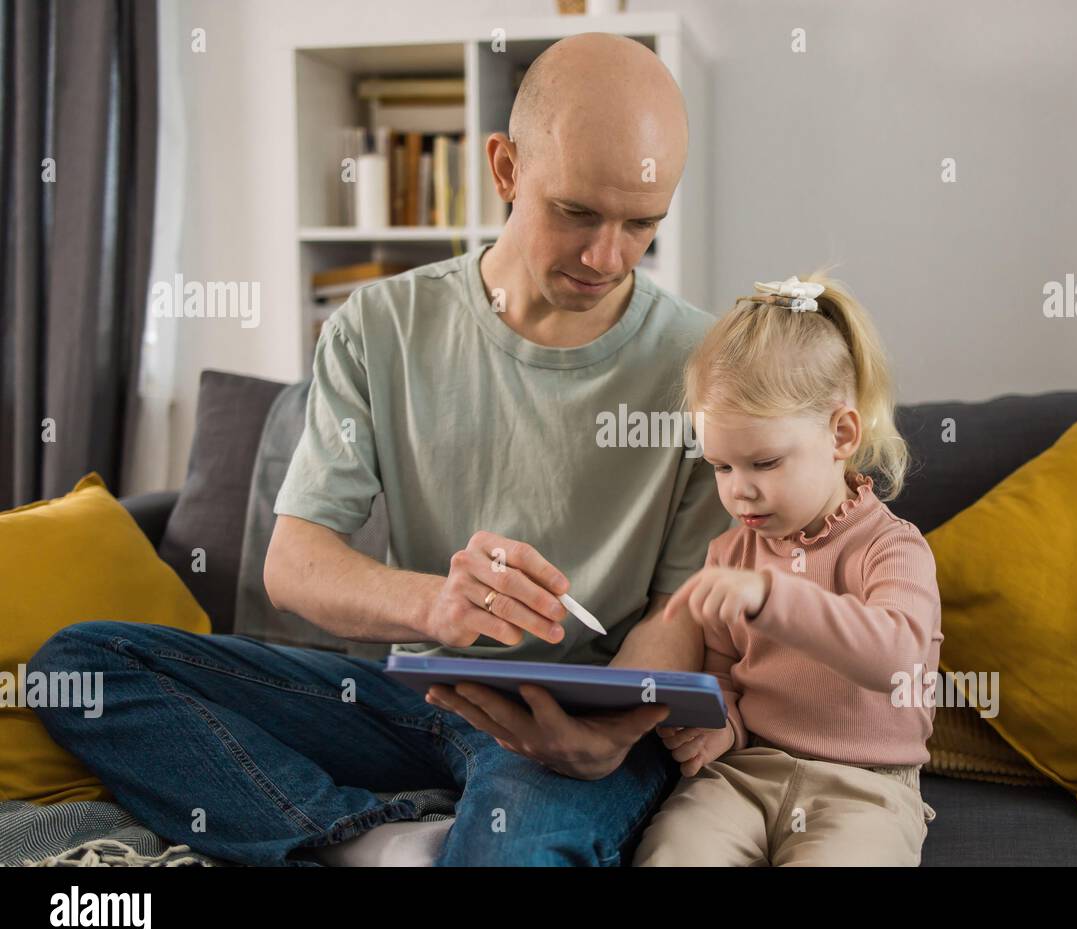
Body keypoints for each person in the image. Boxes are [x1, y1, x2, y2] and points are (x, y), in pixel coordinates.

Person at [30, 32, 733, 867]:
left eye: (641, 225)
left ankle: (374, 835)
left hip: (578, 724)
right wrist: (434, 605)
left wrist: (613, 738)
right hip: (416, 697)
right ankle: (368, 840)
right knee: (77, 666)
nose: (606, 257)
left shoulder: (708, 365)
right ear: (505, 169)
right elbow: (295, 563)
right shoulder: (381, 327)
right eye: (577, 212)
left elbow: (682, 607)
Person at [631, 272, 943, 866]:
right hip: (747, 777)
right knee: (671, 852)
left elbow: (898, 661)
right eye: (721, 467)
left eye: (764, 462)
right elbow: (725, 672)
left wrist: (772, 598)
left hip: (866, 788)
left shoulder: (892, 550)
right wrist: (718, 726)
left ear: (841, 434)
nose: (739, 492)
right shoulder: (731, 555)